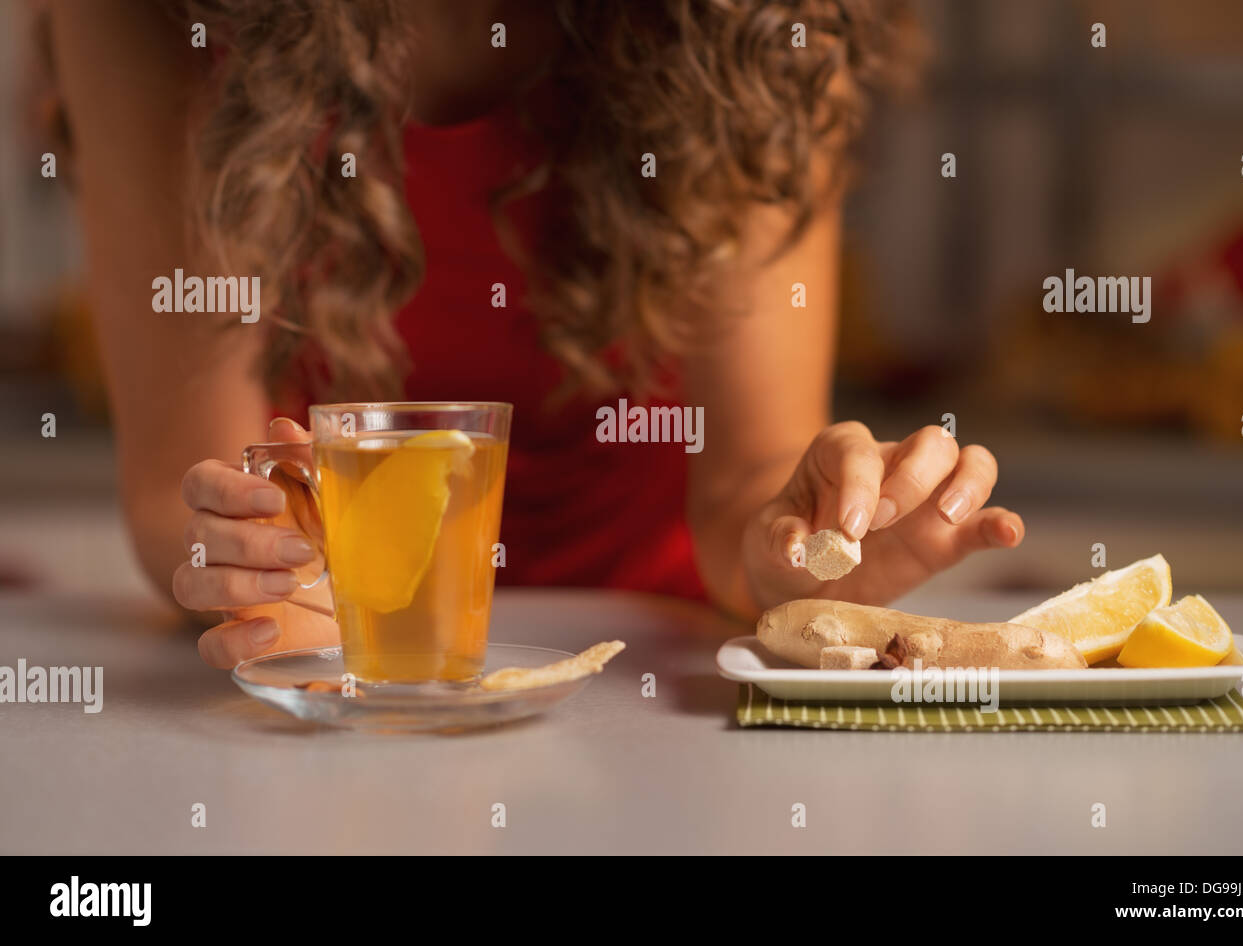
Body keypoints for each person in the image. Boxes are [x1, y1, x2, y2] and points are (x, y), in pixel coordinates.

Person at [46, 0, 1023, 669]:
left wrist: (805, 550)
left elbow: (742, 489)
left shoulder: (759, 23)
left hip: (657, 656)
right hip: (332, 645)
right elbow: (177, 480)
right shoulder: (151, 14)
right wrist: (257, 561)